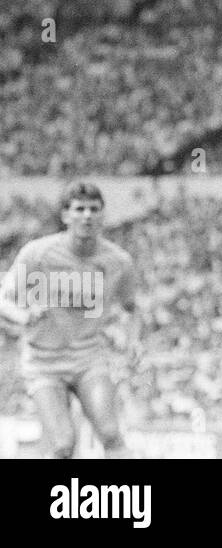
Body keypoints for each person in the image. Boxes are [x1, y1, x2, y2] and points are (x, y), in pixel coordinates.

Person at [0, 181, 140, 458]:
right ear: (65, 215)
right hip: (43, 363)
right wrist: (24, 316)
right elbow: (4, 299)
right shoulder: (37, 253)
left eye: (93, 209)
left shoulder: (118, 261)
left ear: (103, 215)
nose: (86, 215)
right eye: (79, 208)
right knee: (63, 443)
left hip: (89, 358)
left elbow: (131, 308)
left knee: (111, 433)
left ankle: (128, 499)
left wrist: (133, 341)